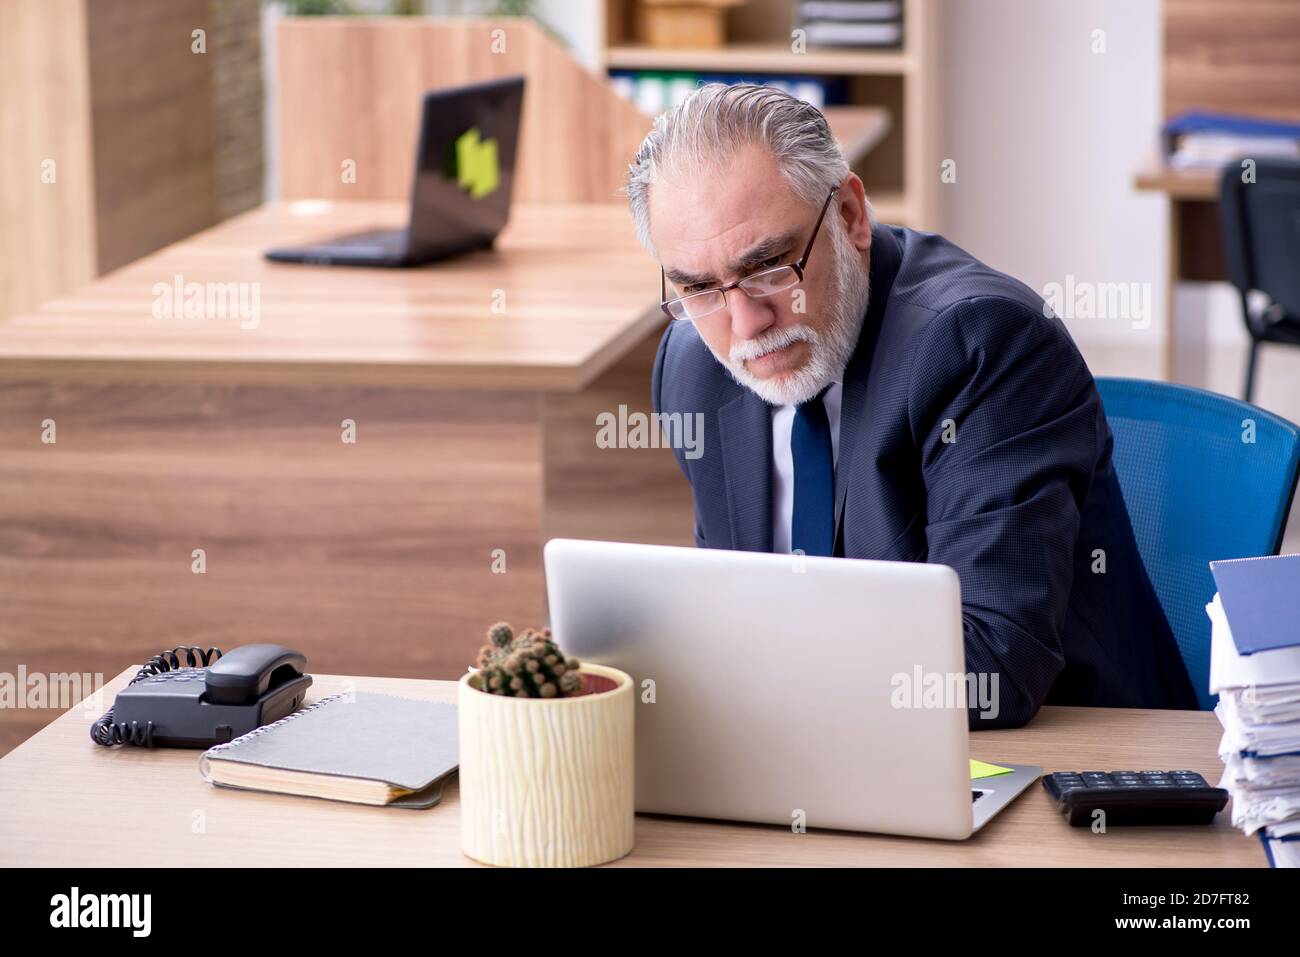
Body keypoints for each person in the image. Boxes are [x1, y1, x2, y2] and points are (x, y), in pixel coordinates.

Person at [629, 83, 1198, 728]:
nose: (744, 324)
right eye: (699, 287)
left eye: (768, 267)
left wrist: (748, 663)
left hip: (1068, 762)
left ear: (849, 215)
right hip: (827, 752)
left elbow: (991, 668)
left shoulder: (982, 341)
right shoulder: (692, 366)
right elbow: (729, 606)